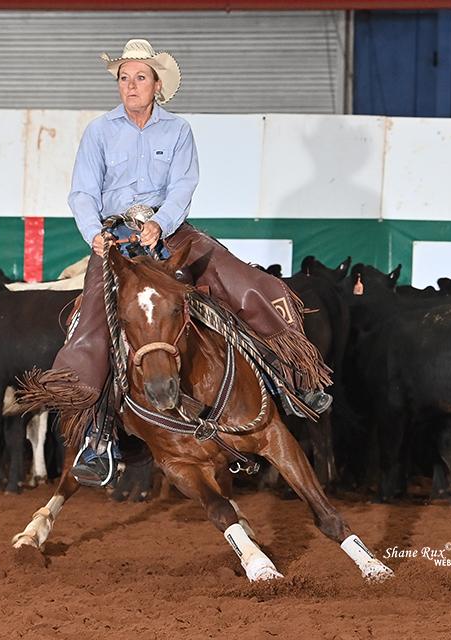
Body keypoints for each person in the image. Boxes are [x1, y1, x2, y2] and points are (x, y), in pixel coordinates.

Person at [19, 39, 332, 487]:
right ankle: (96, 436)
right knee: (91, 323)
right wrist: (96, 235)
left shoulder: (178, 130)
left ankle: (295, 373)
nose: (130, 85)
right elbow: (82, 192)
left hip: (170, 233)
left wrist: (161, 225)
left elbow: (184, 184)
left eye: (139, 77)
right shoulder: (99, 131)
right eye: (124, 78)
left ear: (156, 85)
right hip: (115, 239)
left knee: (241, 281)